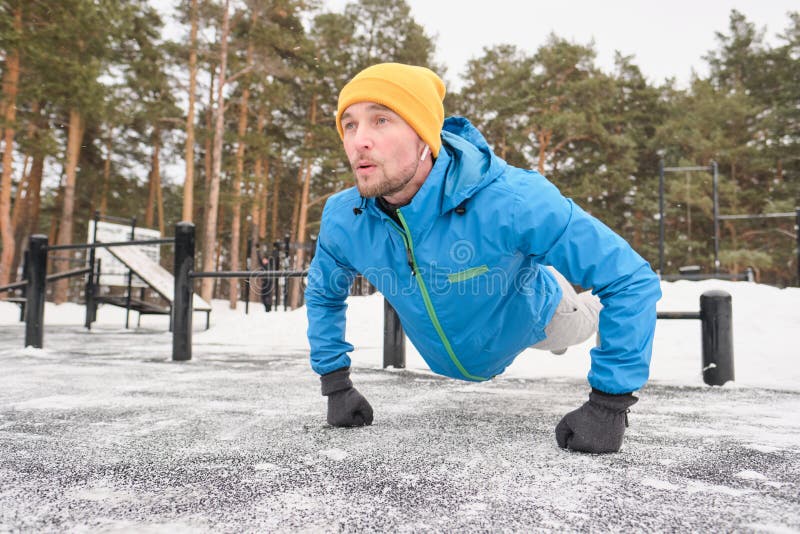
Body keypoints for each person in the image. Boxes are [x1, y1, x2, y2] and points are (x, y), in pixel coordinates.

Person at [305, 63, 661, 454]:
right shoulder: (345, 218)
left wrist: (608, 405)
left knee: (583, 316)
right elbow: (323, 293)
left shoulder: (513, 199)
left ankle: (576, 299)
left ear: (425, 136)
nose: (359, 141)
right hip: (467, 323)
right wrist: (335, 384)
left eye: (382, 120)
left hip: (543, 315)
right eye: (350, 125)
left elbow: (631, 279)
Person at [256, 248, 275, 312]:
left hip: (269, 282)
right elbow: (259, 259)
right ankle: (267, 308)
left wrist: (274, 249)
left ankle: (268, 308)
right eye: (263, 259)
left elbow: (273, 257)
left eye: (265, 259)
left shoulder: (270, 264)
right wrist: (258, 250)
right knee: (263, 296)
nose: (264, 261)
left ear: (267, 260)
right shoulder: (262, 265)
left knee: (267, 295)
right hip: (264, 282)